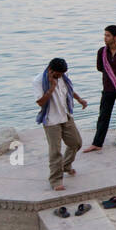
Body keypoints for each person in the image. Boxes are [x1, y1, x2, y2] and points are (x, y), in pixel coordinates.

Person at [33, 57, 89, 191]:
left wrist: (80, 99)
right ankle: (56, 180)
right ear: (51, 70)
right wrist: (52, 87)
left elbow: (68, 90)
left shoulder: (63, 76)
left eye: (63, 74)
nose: (61, 77)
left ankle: (66, 165)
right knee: (55, 151)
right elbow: (40, 102)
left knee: (76, 143)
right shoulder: (38, 81)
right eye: (58, 75)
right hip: (51, 120)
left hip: (65, 115)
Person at [84, 24, 116, 153]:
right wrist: (111, 77)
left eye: (108, 35)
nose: (105, 38)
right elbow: (100, 68)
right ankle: (97, 143)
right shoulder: (102, 51)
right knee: (103, 116)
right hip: (108, 88)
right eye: (105, 35)